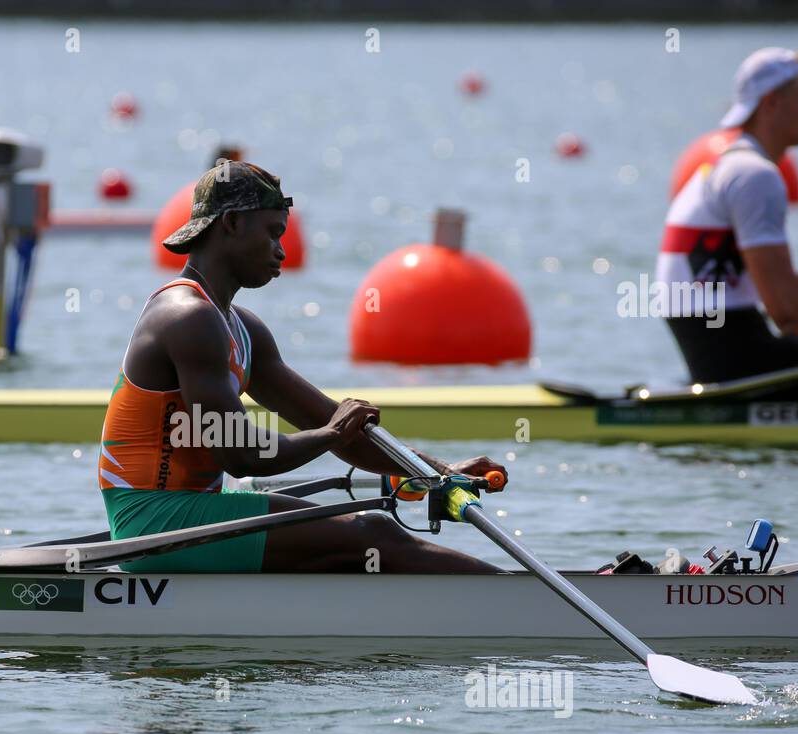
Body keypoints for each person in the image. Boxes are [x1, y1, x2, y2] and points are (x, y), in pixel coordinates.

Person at [98, 161, 504, 573]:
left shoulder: (243, 328)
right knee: (375, 537)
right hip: (151, 525)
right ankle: (518, 608)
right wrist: (330, 434)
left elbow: (343, 433)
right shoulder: (187, 318)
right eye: (273, 232)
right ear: (233, 223)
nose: (282, 250)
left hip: (193, 511)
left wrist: (438, 471)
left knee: (364, 539)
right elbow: (239, 454)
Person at [655, 47, 798, 400]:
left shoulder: (733, 166)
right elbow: (787, 311)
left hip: (730, 353)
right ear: (771, 103)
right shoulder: (755, 176)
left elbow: (790, 321)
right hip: (742, 364)